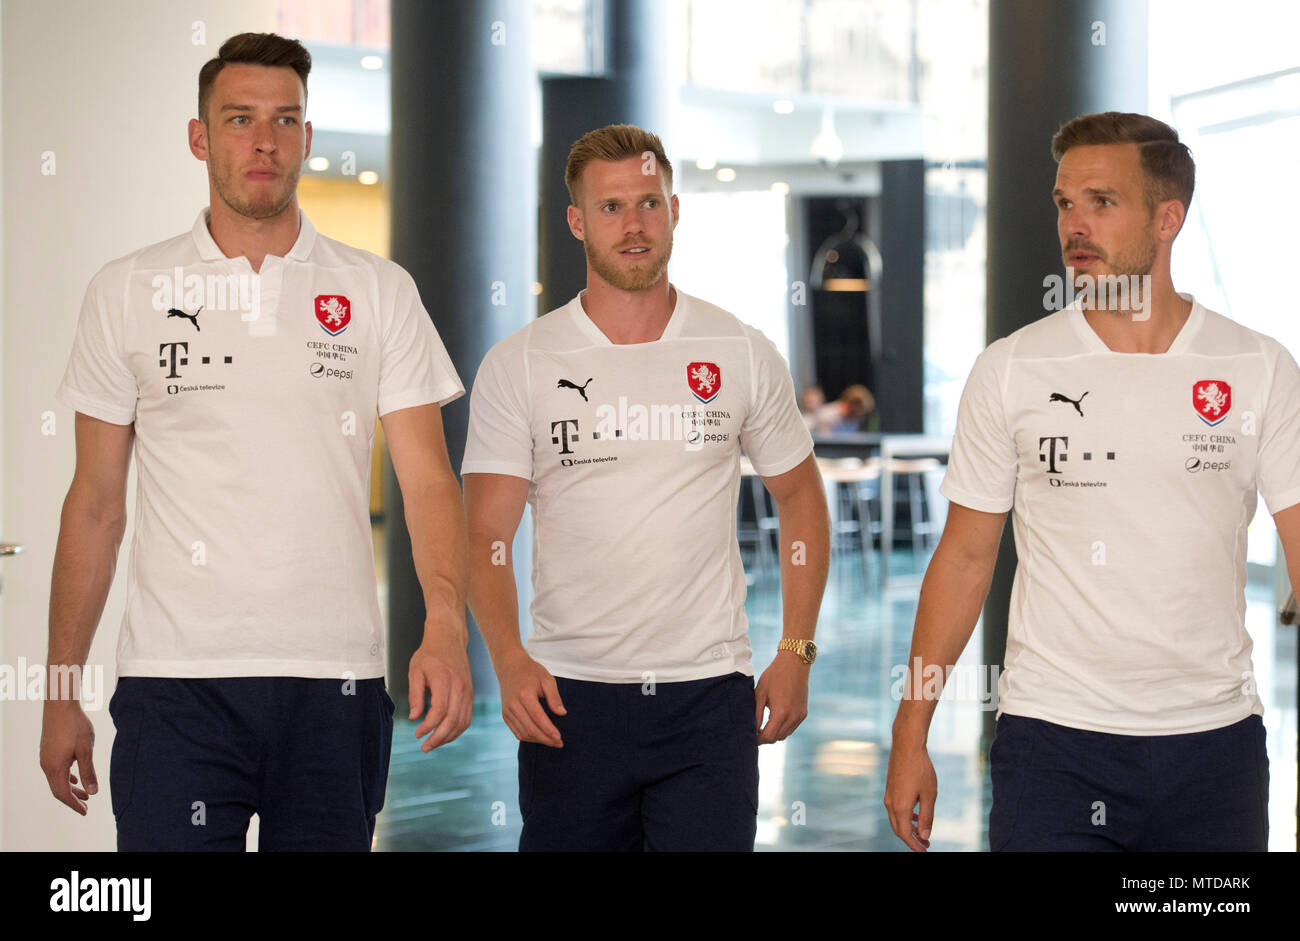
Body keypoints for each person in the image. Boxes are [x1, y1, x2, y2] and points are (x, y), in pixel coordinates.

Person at [40, 32, 472, 851]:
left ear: (308, 137)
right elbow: (94, 505)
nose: (264, 141)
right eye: (239, 119)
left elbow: (428, 482)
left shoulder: (378, 291)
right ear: (200, 137)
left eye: (285, 119)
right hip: (174, 688)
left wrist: (446, 627)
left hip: (335, 684)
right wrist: (62, 687)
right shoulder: (126, 290)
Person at [884, 111, 1300, 852]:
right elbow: (964, 558)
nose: (1075, 224)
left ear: (1168, 217)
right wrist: (911, 728)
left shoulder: (1257, 368)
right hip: (1054, 747)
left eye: (1102, 202)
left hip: (1214, 746)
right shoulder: (1013, 367)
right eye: (1064, 203)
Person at [462, 124, 831, 851]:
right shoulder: (522, 363)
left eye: (649, 202)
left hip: (707, 696)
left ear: (674, 209)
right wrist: (507, 656)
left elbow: (801, 498)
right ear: (577, 221)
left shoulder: (738, 349)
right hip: (570, 696)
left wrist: (796, 649)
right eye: (610, 208)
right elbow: (485, 535)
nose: (634, 225)